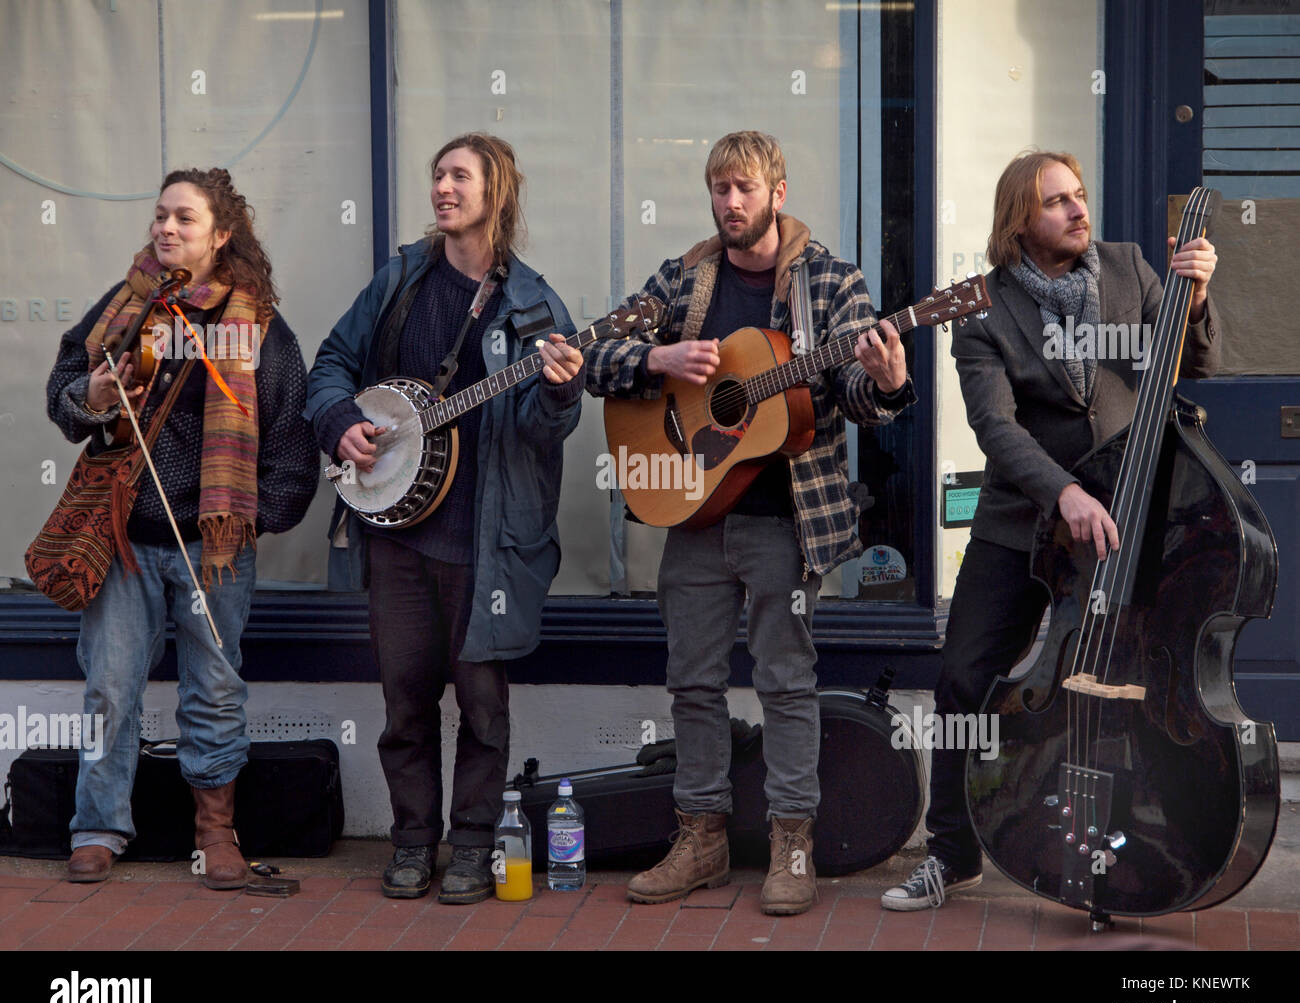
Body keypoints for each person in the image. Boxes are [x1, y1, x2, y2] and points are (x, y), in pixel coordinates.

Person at [582, 130, 915, 915]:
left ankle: (791, 842)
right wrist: (656, 362)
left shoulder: (831, 282)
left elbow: (855, 403)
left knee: (785, 682)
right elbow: (594, 351)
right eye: (720, 189)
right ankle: (699, 838)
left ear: (778, 192)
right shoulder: (686, 278)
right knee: (692, 681)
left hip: (784, 520)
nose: (731, 203)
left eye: (745, 189)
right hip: (692, 510)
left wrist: (890, 383)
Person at [882, 150, 1219, 911]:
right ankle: (952, 853)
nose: (1077, 210)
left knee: (1131, 684)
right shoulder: (984, 310)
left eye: (1079, 196)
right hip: (1020, 522)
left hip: (1127, 519)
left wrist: (1193, 302)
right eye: (1056, 202)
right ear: (1019, 223)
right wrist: (1061, 490)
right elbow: (994, 427)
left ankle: (1136, 842)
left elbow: (1193, 365)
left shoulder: (1133, 269)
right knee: (965, 676)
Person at [304, 132, 583, 903]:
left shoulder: (532, 304)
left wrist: (559, 390)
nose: (442, 187)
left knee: (483, 706)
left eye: (459, 175)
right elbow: (329, 364)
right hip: (395, 533)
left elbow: (542, 431)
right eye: (436, 175)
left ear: (496, 192)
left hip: (485, 542)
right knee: (404, 698)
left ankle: (470, 846)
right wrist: (339, 425)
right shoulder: (399, 281)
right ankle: (411, 842)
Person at [47, 168, 318, 888]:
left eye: (185, 219)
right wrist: (92, 395)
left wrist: (258, 515)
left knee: (215, 689)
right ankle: (98, 824)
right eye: (161, 216)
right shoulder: (123, 307)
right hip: (126, 540)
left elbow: (292, 432)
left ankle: (214, 833)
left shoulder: (258, 324)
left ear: (221, 234)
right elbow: (63, 392)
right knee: (110, 685)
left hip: (214, 545)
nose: (166, 229)